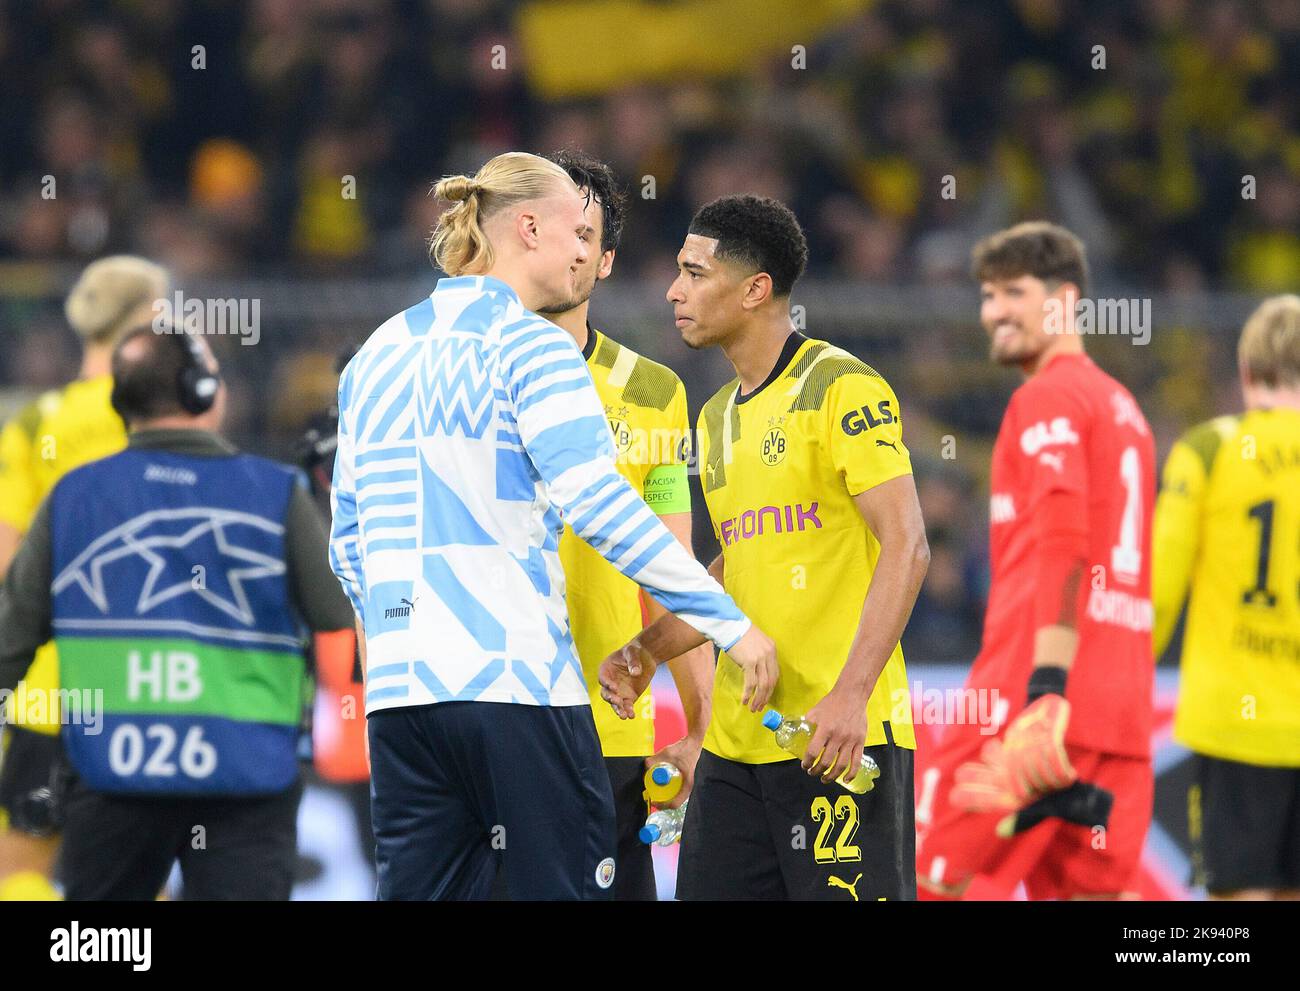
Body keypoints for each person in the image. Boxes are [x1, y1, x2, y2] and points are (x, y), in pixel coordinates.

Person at [330, 151, 777, 901]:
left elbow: (350, 546)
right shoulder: (535, 347)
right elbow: (597, 503)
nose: (586, 252)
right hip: (517, 691)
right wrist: (728, 621)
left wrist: (391, 669)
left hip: (404, 704)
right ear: (528, 227)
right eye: (577, 231)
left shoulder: (374, 355)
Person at [601, 194, 929, 901]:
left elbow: (909, 545)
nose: (673, 290)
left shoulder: (841, 387)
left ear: (754, 290)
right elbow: (734, 572)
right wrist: (648, 650)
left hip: (835, 739)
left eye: (694, 273)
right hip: (734, 748)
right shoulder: (716, 416)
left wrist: (851, 697)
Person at [0, 326, 354, 899]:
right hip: (246, 782)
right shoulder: (275, 492)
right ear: (203, 389)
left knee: (104, 948)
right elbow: (336, 611)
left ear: (121, 403)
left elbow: (11, 639)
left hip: (112, 778)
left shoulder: (73, 496)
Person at [914, 221, 1156, 900]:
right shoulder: (1126, 410)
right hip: (1121, 714)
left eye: (1014, 292)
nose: (994, 310)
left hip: (1028, 705)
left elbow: (1063, 539)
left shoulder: (1046, 398)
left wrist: (1045, 691)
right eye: (988, 294)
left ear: (1066, 300)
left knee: (929, 882)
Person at [509, 149, 713, 901]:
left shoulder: (653, 391)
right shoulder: (462, 368)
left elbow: (669, 561)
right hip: (489, 715)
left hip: (608, 730)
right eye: (551, 228)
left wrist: (703, 725)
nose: (567, 246)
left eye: (585, 234)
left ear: (604, 261)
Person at [0, 256, 167, 901]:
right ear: (148, 317)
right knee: (137, 874)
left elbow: (10, 561)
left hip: (47, 688)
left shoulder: (36, 422)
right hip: (142, 687)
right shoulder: (162, 417)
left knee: (20, 866)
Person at [1153, 294, 1300, 900]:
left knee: (1235, 906)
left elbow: (1160, 586)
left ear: (1245, 372)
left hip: (1234, 723)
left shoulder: (1208, 449)